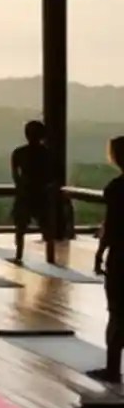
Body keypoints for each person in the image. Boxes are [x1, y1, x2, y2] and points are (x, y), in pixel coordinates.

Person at [90, 137, 124, 383]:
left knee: (117, 313)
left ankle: (113, 369)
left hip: (122, 256)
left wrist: (99, 253)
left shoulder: (116, 188)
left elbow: (112, 226)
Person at [11, 120, 54, 263]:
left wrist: (20, 186)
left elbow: (15, 174)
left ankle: (18, 255)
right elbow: (52, 175)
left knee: (20, 227)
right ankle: (50, 257)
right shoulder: (47, 154)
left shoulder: (19, 153)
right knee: (46, 227)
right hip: (41, 193)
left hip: (25, 193)